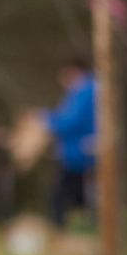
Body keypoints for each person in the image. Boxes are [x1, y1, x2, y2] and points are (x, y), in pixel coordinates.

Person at [43, 56, 96, 229]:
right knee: (79, 196)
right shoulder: (90, 89)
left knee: (62, 196)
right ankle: (80, 227)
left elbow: (70, 121)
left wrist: (46, 120)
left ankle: (62, 229)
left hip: (78, 154)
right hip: (79, 153)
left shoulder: (84, 91)